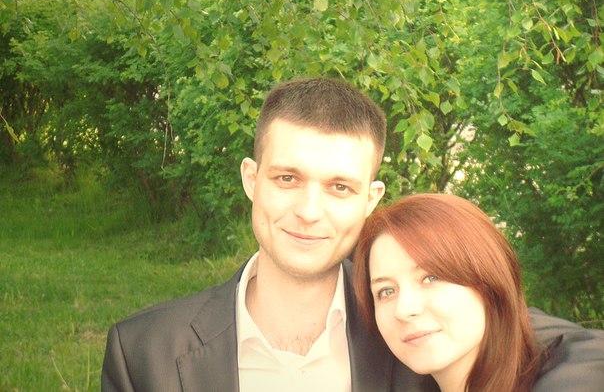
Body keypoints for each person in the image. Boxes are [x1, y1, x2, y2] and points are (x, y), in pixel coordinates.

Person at [102, 78, 604, 392]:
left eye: (339, 187)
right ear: (252, 180)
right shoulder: (144, 352)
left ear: (370, 197)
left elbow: (568, 348)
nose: (308, 212)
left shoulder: (408, 324)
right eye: (287, 178)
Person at [353, 193, 604, 392]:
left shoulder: (577, 376)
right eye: (386, 291)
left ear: (488, 281)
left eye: (431, 278)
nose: (404, 309)